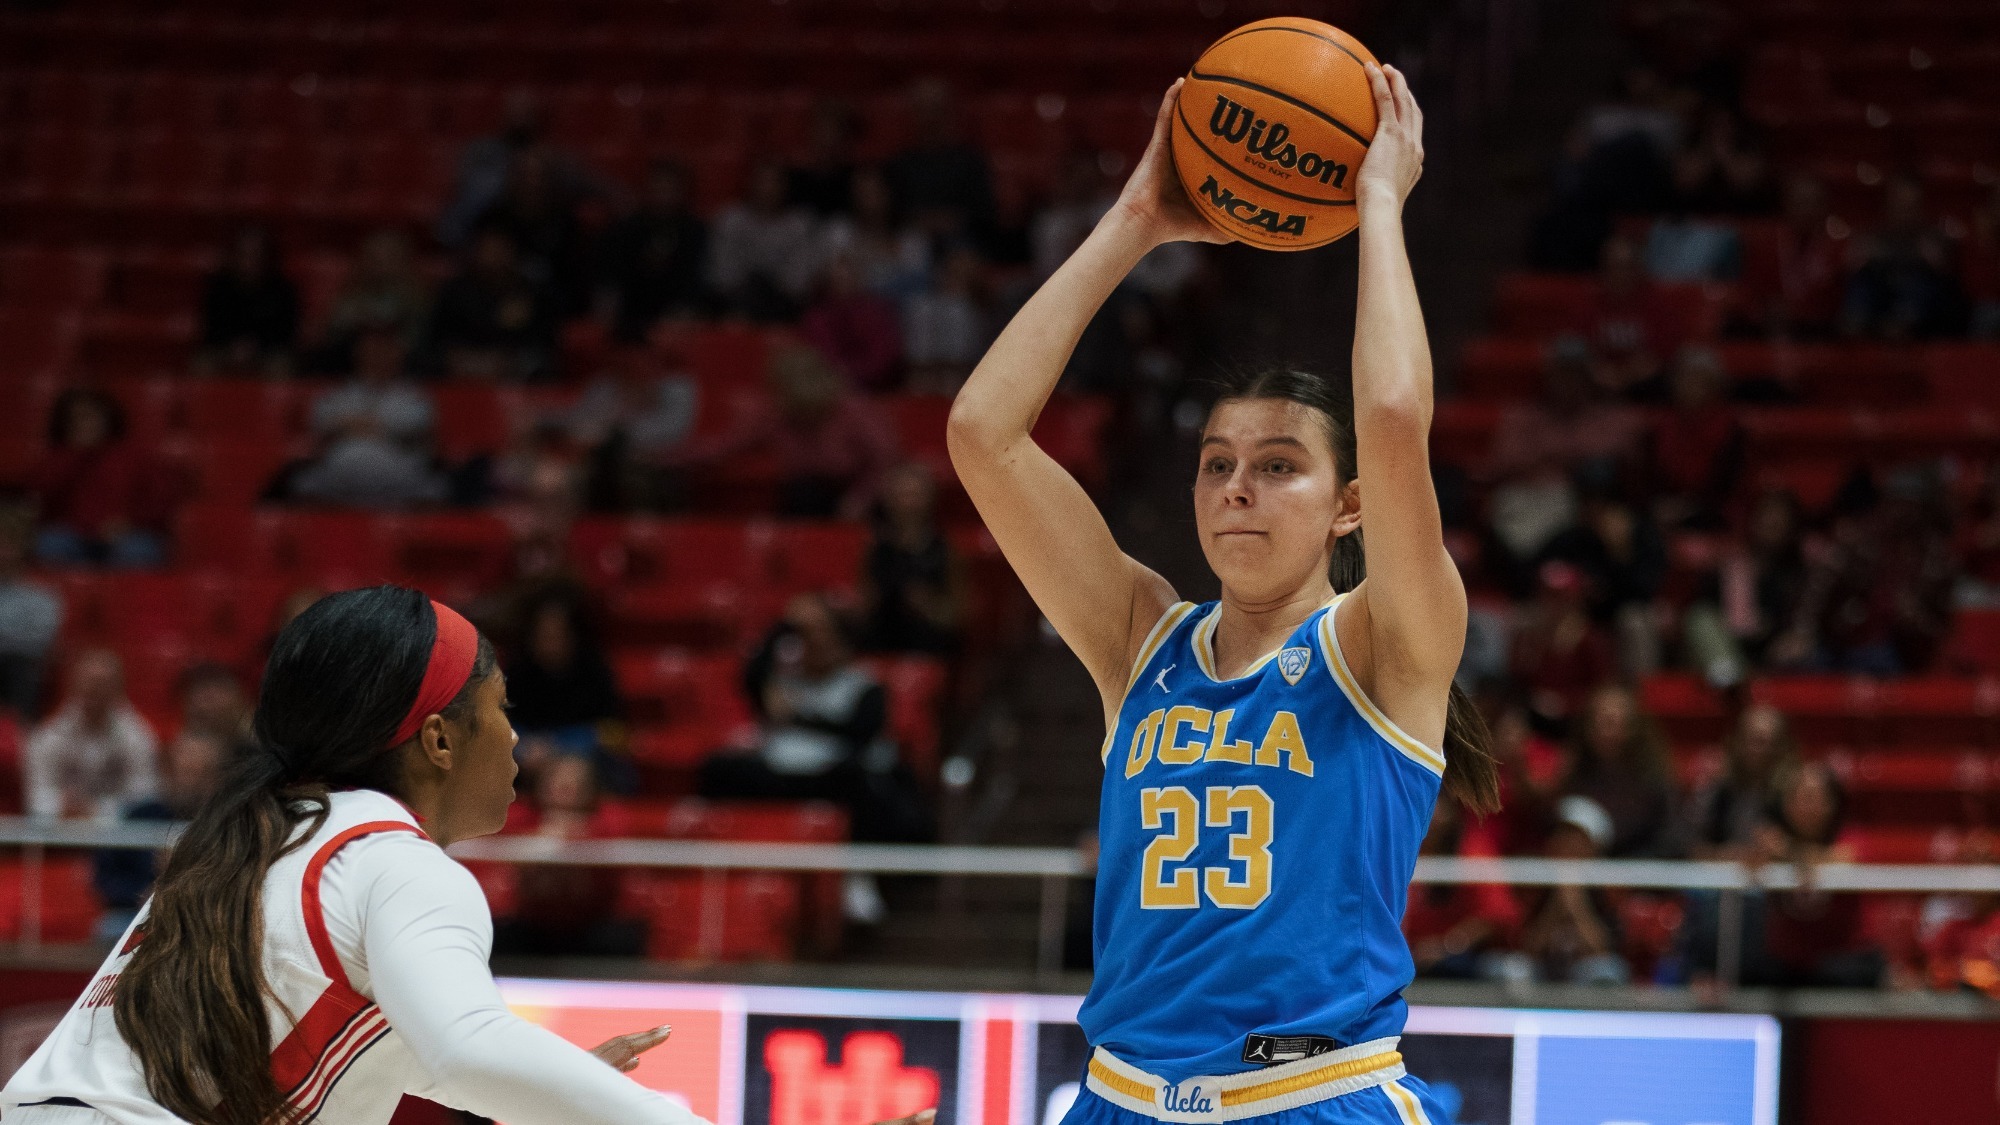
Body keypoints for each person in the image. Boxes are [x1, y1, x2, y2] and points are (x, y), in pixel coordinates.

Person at [949, 71, 1489, 1124]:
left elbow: (1389, 414)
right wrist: (1135, 223)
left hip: (1313, 1094)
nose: (1237, 486)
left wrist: (1378, 202)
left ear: (1348, 506)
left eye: (1278, 465)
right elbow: (982, 431)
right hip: (1119, 1097)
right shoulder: (1140, 641)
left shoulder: (1385, 643)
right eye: (1215, 464)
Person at [1, 587, 943, 1125]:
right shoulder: (396, 858)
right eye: (502, 710)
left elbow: (423, 1055)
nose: (519, 739)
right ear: (440, 739)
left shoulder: (256, 835)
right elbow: (469, 1048)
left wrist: (557, 1088)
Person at [90, 727, 232, 945]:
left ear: (217, 778)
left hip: (205, 916)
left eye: (202, 774)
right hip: (136, 913)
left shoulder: (228, 824)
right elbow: (105, 878)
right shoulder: (139, 817)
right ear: (168, 771)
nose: (192, 782)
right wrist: (142, 894)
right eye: (185, 771)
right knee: (110, 928)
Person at [492, 754, 643, 957]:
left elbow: (616, 858)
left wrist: (572, 834)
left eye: (576, 779)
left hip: (593, 919)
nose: (566, 785)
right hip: (529, 919)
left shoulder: (609, 818)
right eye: (558, 778)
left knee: (621, 938)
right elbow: (498, 856)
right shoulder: (517, 815)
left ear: (591, 787)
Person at [288, 323, 449, 509]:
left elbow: (419, 435)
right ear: (358, 352)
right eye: (371, 348)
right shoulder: (336, 395)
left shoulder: (415, 398)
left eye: (386, 348)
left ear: (399, 353)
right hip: (338, 482)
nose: (378, 355)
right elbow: (321, 433)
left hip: (400, 482)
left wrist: (352, 426)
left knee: (437, 488)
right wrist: (383, 430)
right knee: (302, 484)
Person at [29, 389, 178, 569]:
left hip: (128, 534)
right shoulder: (55, 457)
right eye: (75, 419)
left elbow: (161, 500)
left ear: (107, 418)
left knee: (137, 551)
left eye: (90, 417)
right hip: (73, 536)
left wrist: (131, 523)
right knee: (49, 544)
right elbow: (39, 500)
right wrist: (73, 456)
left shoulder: (135, 456)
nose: (84, 424)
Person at [506, 591, 631, 793]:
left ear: (573, 636)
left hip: (588, 762)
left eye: (557, 636)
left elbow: (613, 731)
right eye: (542, 637)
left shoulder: (596, 672)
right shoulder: (516, 672)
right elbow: (503, 725)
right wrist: (522, 747)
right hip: (528, 763)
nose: (550, 645)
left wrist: (559, 747)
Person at [24, 650, 159, 821]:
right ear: (73, 686)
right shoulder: (48, 737)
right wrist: (61, 806)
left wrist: (96, 809)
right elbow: (36, 797)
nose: (95, 690)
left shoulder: (138, 737)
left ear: (119, 689)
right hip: (61, 829)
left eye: (103, 684)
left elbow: (145, 795)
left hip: (118, 833)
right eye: (89, 682)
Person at [424, 224, 559, 382]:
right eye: (488, 249)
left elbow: (543, 342)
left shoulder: (531, 293)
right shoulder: (455, 291)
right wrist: (472, 359)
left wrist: (507, 357)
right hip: (462, 368)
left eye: (500, 249)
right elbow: (438, 339)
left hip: (515, 372)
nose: (493, 256)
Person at [596, 158, 710, 342]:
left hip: (676, 315)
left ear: (683, 191)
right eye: (659, 185)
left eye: (670, 186)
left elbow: (696, 278)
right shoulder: (626, 228)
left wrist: (685, 310)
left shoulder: (695, 231)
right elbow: (611, 275)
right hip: (630, 313)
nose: (664, 192)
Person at [858, 463, 965, 655]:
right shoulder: (875, 548)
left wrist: (929, 606)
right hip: (880, 640)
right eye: (901, 495)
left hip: (929, 643)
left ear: (930, 498)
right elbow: (863, 601)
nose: (907, 504)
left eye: (914, 495)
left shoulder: (946, 549)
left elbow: (960, 611)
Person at [706, 161, 820, 322]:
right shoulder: (730, 221)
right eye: (762, 181)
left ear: (785, 186)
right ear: (750, 184)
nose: (767, 188)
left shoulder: (799, 225)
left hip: (785, 307)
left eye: (774, 182)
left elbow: (797, 284)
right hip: (735, 306)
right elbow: (724, 278)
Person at [310, 229, 432, 374]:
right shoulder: (350, 296)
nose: (382, 265)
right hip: (352, 371)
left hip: (407, 371)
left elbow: (421, 337)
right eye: (375, 258)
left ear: (404, 260)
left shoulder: (419, 299)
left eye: (389, 258)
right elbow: (332, 332)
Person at [195, 225, 300, 377]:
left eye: (256, 255)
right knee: (202, 364)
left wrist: (255, 347)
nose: (249, 261)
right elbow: (211, 329)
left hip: (267, 352)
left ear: (266, 257)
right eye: (244, 254)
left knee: (281, 366)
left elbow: (286, 333)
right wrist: (233, 348)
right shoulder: (218, 288)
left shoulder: (283, 290)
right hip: (226, 350)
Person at [0, 508, 62, 717]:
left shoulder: (41, 596)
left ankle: (20, 730)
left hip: (19, 668)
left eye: (8, 544)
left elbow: (40, 641)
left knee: (20, 668)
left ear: (20, 549)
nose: (2, 551)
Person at [175, 661, 249, 742]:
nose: (212, 698)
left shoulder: (252, 725)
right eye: (203, 692)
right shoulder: (187, 741)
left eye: (219, 686)